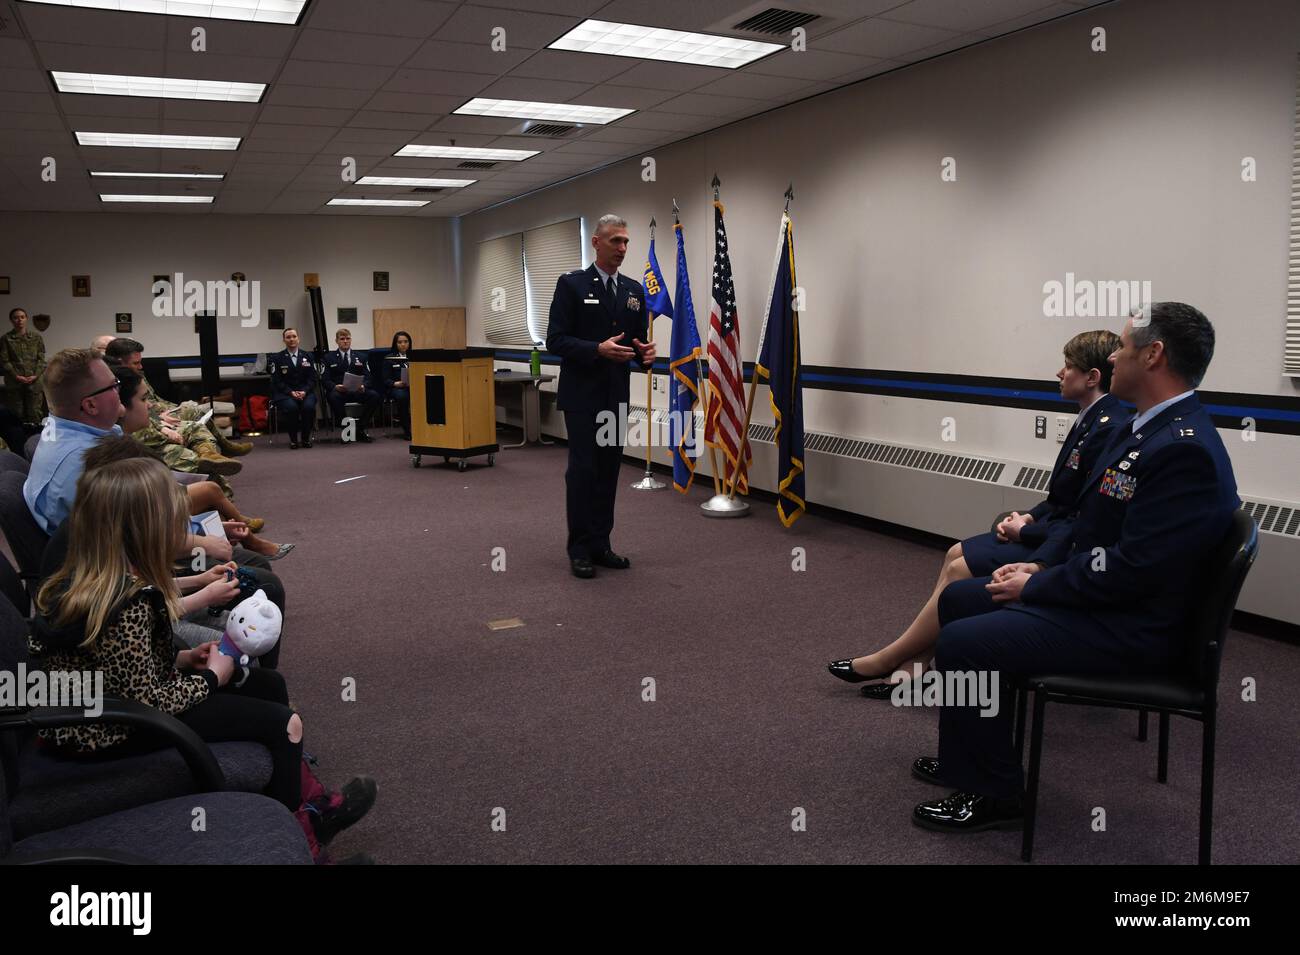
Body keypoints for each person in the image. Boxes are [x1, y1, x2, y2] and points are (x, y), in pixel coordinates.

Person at [910, 303, 1239, 834]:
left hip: (1134, 628)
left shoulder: (1184, 450)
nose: (1113, 354)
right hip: (1109, 601)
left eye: (1124, 346)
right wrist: (1036, 565)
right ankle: (971, 759)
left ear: (1153, 355)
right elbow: (1093, 529)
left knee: (967, 643)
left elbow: (1133, 570)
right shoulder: (1147, 429)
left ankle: (994, 794)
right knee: (958, 600)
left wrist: (1039, 583)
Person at [28, 457, 375, 857]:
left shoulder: (101, 575)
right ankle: (309, 846)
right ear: (143, 531)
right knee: (283, 724)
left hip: (105, 710)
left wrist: (184, 660)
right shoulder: (123, 602)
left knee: (268, 684)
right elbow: (147, 700)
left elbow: (113, 668)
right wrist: (211, 676)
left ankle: (312, 808)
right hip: (109, 729)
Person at [828, 330, 1123, 698]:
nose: (1059, 374)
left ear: (1092, 377)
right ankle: (916, 665)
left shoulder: (1109, 426)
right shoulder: (1091, 419)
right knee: (955, 551)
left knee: (959, 567)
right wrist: (1029, 517)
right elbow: (1062, 497)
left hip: (1062, 550)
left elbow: (1082, 516)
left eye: (1068, 367)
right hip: (1049, 532)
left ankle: (893, 658)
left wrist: (1026, 534)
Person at [545, 214, 657, 579]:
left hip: (615, 396)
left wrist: (646, 355)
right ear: (596, 242)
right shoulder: (572, 285)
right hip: (581, 397)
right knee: (583, 471)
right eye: (615, 242)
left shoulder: (633, 290)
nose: (622, 249)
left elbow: (635, 343)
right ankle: (578, 548)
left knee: (609, 470)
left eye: (625, 242)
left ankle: (600, 544)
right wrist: (596, 349)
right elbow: (556, 340)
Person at [113, 372, 292, 561]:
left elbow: (158, 405)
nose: (149, 404)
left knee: (212, 492)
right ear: (120, 406)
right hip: (145, 516)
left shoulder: (118, 432)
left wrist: (161, 421)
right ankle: (245, 541)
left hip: (150, 503)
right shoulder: (114, 442)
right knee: (207, 485)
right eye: (143, 399)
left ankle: (234, 546)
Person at [24, 347, 124, 535]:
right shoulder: (88, 462)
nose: (119, 390)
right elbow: (143, 533)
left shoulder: (59, 429)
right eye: (114, 385)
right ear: (91, 405)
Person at [102, 338, 250, 460]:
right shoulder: (114, 384)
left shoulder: (136, 375)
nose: (140, 366)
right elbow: (136, 408)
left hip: (158, 414)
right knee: (193, 415)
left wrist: (173, 408)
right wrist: (159, 419)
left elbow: (155, 399)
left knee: (191, 409)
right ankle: (215, 451)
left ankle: (217, 450)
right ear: (119, 361)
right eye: (136, 363)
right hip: (151, 420)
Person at [322, 328, 379, 443]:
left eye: (347, 338)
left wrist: (364, 386)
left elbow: (368, 377)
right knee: (333, 397)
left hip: (358, 391)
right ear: (336, 341)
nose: (345, 341)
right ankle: (347, 429)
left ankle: (360, 428)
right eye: (342, 339)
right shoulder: (328, 358)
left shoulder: (361, 357)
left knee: (374, 396)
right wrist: (335, 386)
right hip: (340, 391)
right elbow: (325, 380)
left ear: (351, 340)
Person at [269, 327, 317, 449]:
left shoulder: (308, 356)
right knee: (292, 408)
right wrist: (290, 392)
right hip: (284, 394)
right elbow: (277, 381)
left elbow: (312, 378)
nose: (291, 339)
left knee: (308, 407)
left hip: (305, 392)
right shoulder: (277, 358)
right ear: (284, 340)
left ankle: (305, 439)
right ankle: (294, 440)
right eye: (288, 337)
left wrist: (305, 391)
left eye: (294, 336)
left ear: (298, 339)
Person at [2, 307, 47, 426]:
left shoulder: (36, 337)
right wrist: (16, 376)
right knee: (16, 413)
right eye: (16, 318)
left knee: (35, 413)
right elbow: (4, 361)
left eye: (22, 317)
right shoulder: (6, 339)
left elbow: (41, 359)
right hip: (14, 382)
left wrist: (35, 375)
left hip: (34, 381)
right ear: (11, 320)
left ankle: (35, 439)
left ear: (26, 319)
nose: (19, 320)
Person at [382, 330, 412, 440]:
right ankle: (407, 430)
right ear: (395, 344)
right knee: (402, 397)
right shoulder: (389, 358)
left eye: (406, 341)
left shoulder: (415, 356)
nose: (403, 344)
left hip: (414, 387)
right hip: (397, 388)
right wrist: (395, 383)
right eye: (400, 342)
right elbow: (385, 379)